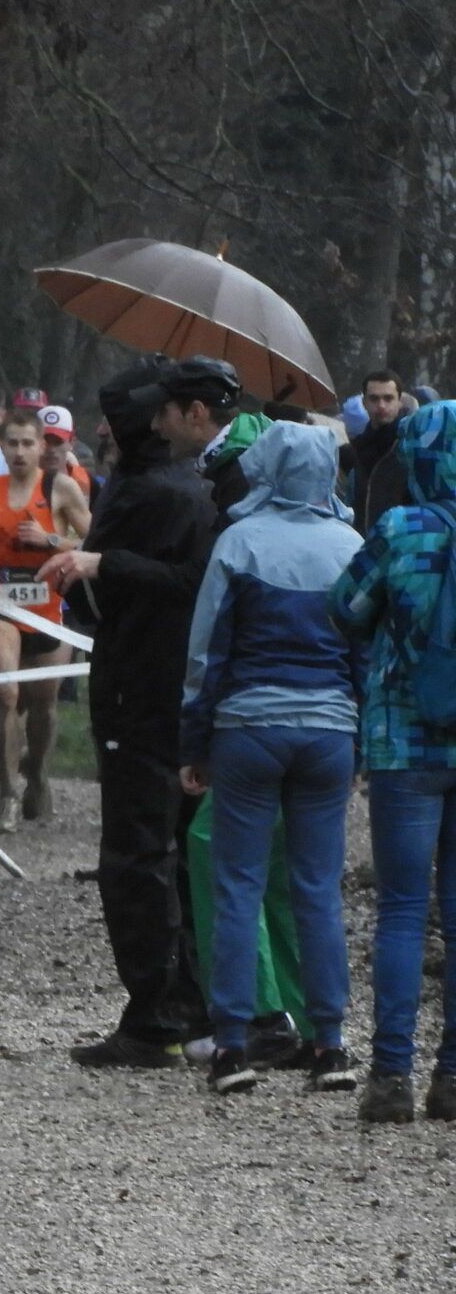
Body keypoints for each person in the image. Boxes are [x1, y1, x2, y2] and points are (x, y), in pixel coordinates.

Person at [41, 359, 223, 1068]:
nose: (102, 430)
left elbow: (117, 593)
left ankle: (155, 1015)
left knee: (138, 857)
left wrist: (95, 566)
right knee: (177, 853)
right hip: (178, 691)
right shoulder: (195, 486)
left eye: (113, 418)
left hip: (138, 692)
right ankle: (192, 1004)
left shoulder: (147, 491)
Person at [175, 421, 363, 1098]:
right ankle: (330, 1042)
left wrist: (194, 743)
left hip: (249, 730)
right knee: (317, 889)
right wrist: (361, 741)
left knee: (238, 887)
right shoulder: (351, 545)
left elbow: (207, 654)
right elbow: (366, 652)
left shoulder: (240, 540)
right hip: (329, 732)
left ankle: (233, 1046)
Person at [332, 398, 456, 1122]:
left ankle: (390, 1077)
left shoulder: (402, 528)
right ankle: (453, 1078)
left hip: (404, 742)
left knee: (404, 910)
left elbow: (345, 608)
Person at [0, 408, 91, 826]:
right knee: (6, 693)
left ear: (42, 446)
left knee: (43, 704)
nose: (20, 452)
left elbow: (92, 539)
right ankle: (6, 792)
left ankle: (38, 774)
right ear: (1, 446)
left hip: (47, 610)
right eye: (12, 443)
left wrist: (50, 539)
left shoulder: (59, 487)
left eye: (28, 443)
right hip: (1, 606)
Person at [344, 367, 410, 530]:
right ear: (364, 402)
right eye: (374, 399)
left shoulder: (411, 446)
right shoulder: (357, 448)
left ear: (400, 401)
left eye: (388, 398)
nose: (381, 406)